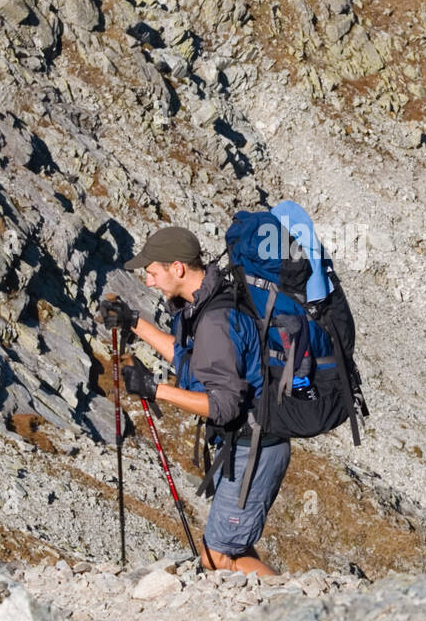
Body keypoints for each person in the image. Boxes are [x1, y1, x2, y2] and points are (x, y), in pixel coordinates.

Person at [99, 225, 290, 576]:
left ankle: (296, 608)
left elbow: (223, 406)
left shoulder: (215, 319)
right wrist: (133, 323)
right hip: (248, 444)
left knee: (218, 556)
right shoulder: (208, 302)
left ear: (178, 268)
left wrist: (154, 389)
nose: (149, 281)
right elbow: (189, 358)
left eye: (153, 272)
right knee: (232, 541)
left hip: (254, 447)